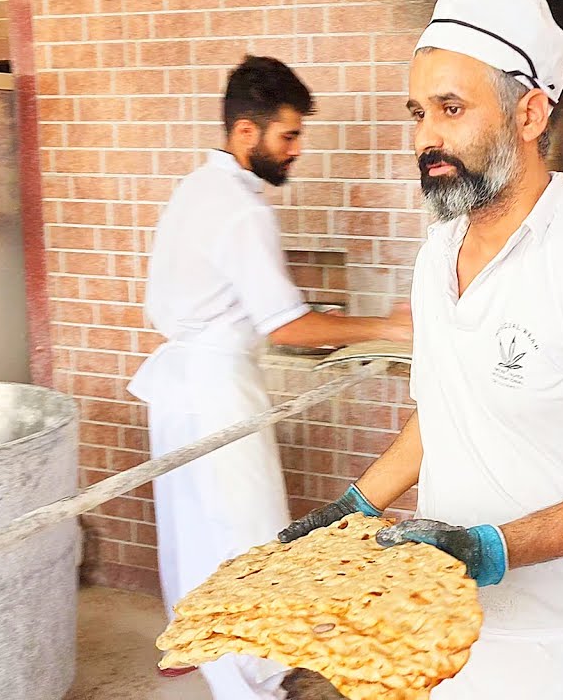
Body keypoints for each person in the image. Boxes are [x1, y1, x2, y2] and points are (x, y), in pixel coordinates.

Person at [278, 0, 563, 699]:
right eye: (418, 113)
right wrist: (355, 506)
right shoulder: (437, 256)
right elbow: (446, 413)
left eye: (451, 108)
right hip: (449, 633)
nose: (425, 139)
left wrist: (497, 548)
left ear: (530, 112)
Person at [127, 55, 412, 700]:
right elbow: (286, 326)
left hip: (179, 391)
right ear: (247, 133)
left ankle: (202, 646)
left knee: (193, 531)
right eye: (289, 136)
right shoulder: (239, 210)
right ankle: (256, 681)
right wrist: (390, 326)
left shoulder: (197, 188)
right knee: (246, 535)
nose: (297, 151)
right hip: (216, 392)